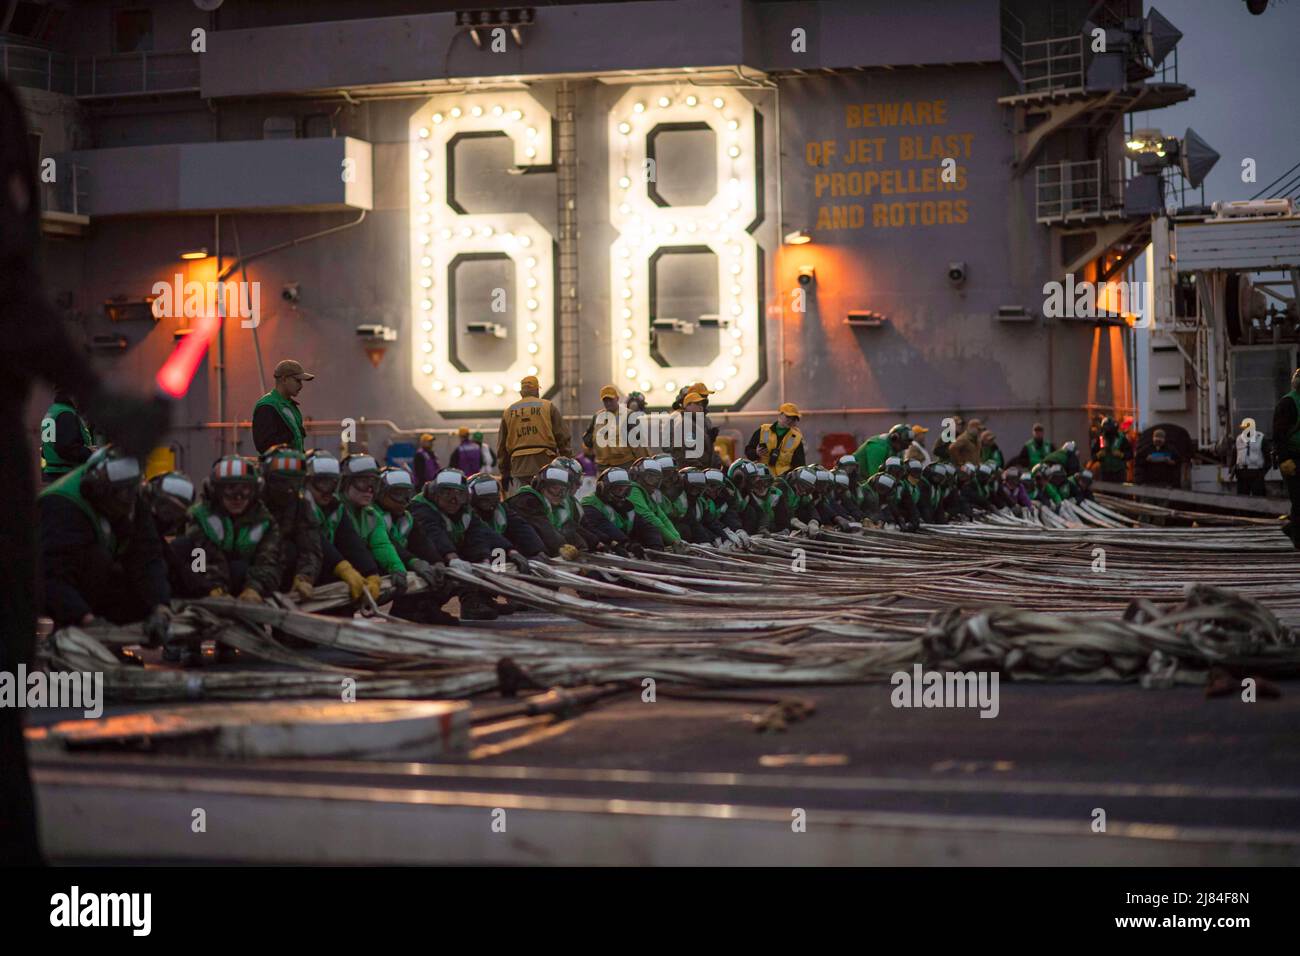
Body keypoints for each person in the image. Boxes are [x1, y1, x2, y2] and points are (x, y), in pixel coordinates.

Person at [3, 76, 174, 864]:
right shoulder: (70, 506)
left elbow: (142, 556)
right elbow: (12, 290)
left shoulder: (123, 506)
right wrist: (106, 396)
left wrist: (153, 611)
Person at [38, 448, 172, 637]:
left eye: (130, 493)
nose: (125, 502)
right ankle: (72, 633)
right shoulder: (62, 506)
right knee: (96, 559)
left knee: (145, 593)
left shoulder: (132, 500)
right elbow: (52, 576)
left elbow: (148, 556)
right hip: (38, 582)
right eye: (119, 495)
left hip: (84, 581)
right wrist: (86, 620)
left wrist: (160, 607)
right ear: (97, 490)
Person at [182, 455, 282, 603]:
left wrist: (254, 588)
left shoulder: (265, 521)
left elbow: (269, 560)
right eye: (230, 489)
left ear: (255, 491)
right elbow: (199, 558)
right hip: (204, 583)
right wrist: (212, 588)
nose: (238, 498)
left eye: (245, 490)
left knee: (239, 566)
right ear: (215, 491)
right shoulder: (199, 518)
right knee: (180, 546)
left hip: (243, 582)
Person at [303, 449, 380, 603]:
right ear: (305, 482)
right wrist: (343, 568)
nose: (328, 492)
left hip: (318, 567)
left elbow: (351, 542)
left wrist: (371, 573)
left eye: (333, 484)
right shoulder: (300, 506)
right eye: (322, 483)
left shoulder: (335, 508)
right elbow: (314, 539)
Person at [259, 444, 322, 602]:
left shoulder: (301, 507)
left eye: (294, 482)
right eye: (280, 482)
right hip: (244, 572)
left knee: (290, 551)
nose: (288, 489)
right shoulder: (250, 503)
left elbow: (310, 548)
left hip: (277, 572)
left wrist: (304, 577)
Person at [497, 375, 569, 490]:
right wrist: (567, 462)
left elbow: (502, 446)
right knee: (546, 497)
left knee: (523, 500)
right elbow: (563, 438)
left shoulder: (508, 411)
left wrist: (504, 472)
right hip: (544, 461)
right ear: (536, 390)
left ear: (521, 392)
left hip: (519, 465)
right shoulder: (548, 406)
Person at [468, 471, 545, 557]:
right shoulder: (467, 515)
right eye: (484, 500)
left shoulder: (502, 510)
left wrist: (538, 551)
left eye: (492, 499)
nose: (489, 505)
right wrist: (509, 551)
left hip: (498, 554)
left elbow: (521, 528)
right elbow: (484, 533)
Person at [627, 456, 687, 552]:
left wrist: (678, 539)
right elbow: (648, 516)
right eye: (649, 478)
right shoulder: (633, 490)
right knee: (650, 530)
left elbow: (663, 518)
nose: (653, 483)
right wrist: (673, 541)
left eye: (656, 479)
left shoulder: (647, 493)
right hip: (628, 535)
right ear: (636, 476)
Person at [253, 359, 314, 453]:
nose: (301, 385)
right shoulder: (267, 407)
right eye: (297, 380)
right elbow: (264, 445)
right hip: (277, 466)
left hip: (292, 464)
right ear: (284, 379)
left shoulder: (290, 406)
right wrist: (288, 436)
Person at [40, 389, 94, 483]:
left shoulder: (52, 411)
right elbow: (66, 448)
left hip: (51, 474)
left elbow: (46, 449)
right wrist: (90, 452)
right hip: (66, 475)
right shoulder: (66, 413)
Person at [1274, 368, 1300, 547]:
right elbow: (1279, 434)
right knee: (1299, 500)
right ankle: (1298, 539)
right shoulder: (1288, 403)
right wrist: (1284, 459)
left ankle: (1292, 529)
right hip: (1293, 458)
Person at [584, 384, 638, 469]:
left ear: (617, 398)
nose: (608, 403)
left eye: (610, 400)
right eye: (605, 401)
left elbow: (638, 441)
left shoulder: (628, 415)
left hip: (624, 464)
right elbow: (587, 439)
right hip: (602, 466)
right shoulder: (597, 416)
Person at [746, 402, 805, 476]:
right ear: (780, 415)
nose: (790, 420)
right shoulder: (764, 430)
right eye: (788, 417)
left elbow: (799, 465)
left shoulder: (796, 438)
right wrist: (756, 453)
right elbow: (748, 451)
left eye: (793, 419)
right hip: (762, 477)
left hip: (783, 481)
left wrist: (788, 478)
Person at [1230, 418, 1270, 496]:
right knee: (1242, 499)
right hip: (1241, 474)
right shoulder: (1239, 439)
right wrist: (1232, 470)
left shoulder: (1260, 438)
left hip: (1256, 473)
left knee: (1259, 499)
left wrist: (1262, 473)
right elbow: (1235, 456)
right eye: (1243, 428)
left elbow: (1268, 458)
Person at [1091, 417, 1132, 483]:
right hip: (1105, 473)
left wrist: (1121, 454)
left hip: (1119, 472)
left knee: (1119, 491)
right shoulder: (1101, 439)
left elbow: (1130, 454)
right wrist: (1098, 455)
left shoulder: (1121, 439)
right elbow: (1093, 455)